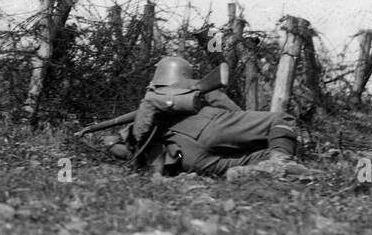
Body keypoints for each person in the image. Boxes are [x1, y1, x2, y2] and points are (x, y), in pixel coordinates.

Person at [103, 55, 316, 179]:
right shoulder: (193, 88)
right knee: (280, 120)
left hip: (188, 161)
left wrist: (118, 147)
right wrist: (240, 127)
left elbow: (119, 144)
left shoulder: (148, 106)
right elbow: (231, 110)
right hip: (209, 127)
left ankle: (249, 173)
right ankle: (282, 160)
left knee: (252, 161)